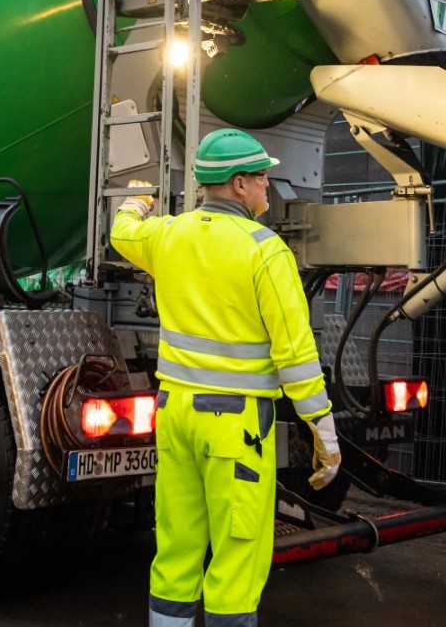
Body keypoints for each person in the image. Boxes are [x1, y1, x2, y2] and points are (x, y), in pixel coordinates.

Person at [110, 128, 340, 627]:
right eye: (261, 177)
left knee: (175, 550)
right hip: (236, 430)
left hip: (176, 417)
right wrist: (321, 427)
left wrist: (135, 201)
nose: (266, 185)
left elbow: (121, 233)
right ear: (239, 184)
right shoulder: (265, 250)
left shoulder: (168, 236)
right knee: (237, 558)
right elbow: (295, 353)